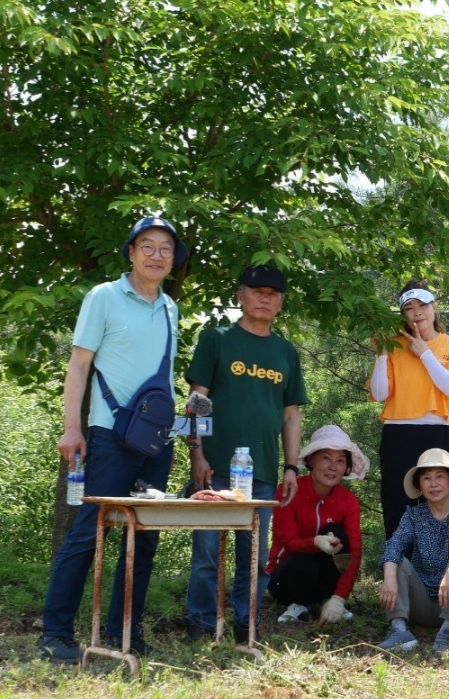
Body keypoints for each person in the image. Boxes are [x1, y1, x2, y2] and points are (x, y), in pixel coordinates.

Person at [39, 216, 186, 662]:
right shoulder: (103, 296)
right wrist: (72, 427)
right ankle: (55, 636)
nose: (156, 255)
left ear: (173, 258)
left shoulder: (170, 307)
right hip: (106, 436)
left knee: (144, 537)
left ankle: (126, 634)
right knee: (88, 534)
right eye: (148, 246)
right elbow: (79, 366)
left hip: (154, 441)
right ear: (131, 251)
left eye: (165, 248)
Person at [184, 265, 308, 644]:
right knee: (207, 552)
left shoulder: (285, 351)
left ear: (281, 301)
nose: (265, 298)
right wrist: (197, 455)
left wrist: (291, 466)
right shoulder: (217, 339)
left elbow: (291, 415)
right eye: (257, 291)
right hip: (216, 466)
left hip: (264, 471)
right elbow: (196, 400)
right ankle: (202, 623)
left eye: (273, 293)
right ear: (241, 295)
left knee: (253, 556)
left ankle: (245, 624)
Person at [370, 282, 449, 539]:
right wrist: (381, 354)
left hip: (437, 432)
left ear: (434, 308)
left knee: (438, 502)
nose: (417, 313)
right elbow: (380, 393)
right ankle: (396, 572)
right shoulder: (393, 344)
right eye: (409, 308)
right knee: (396, 503)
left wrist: (425, 354)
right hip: (397, 433)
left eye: (422, 305)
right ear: (402, 314)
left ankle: (438, 572)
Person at [378, 449, 449, 653]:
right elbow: (395, 543)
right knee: (396, 562)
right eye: (426, 478)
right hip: (425, 604)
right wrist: (390, 576)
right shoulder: (413, 515)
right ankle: (399, 630)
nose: (433, 483)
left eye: (440, 476)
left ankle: (448, 631)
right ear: (419, 485)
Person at [266, 425, 367, 625]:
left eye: (340, 461)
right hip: (285, 578)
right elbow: (289, 541)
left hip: (323, 580)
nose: (333, 467)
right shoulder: (288, 491)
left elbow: (355, 551)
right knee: (304, 562)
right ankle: (298, 603)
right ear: (312, 459)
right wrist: (315, 542)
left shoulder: (348, 501)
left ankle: (328, 601)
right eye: (326, 458)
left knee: (339, 534)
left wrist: (340, 597)